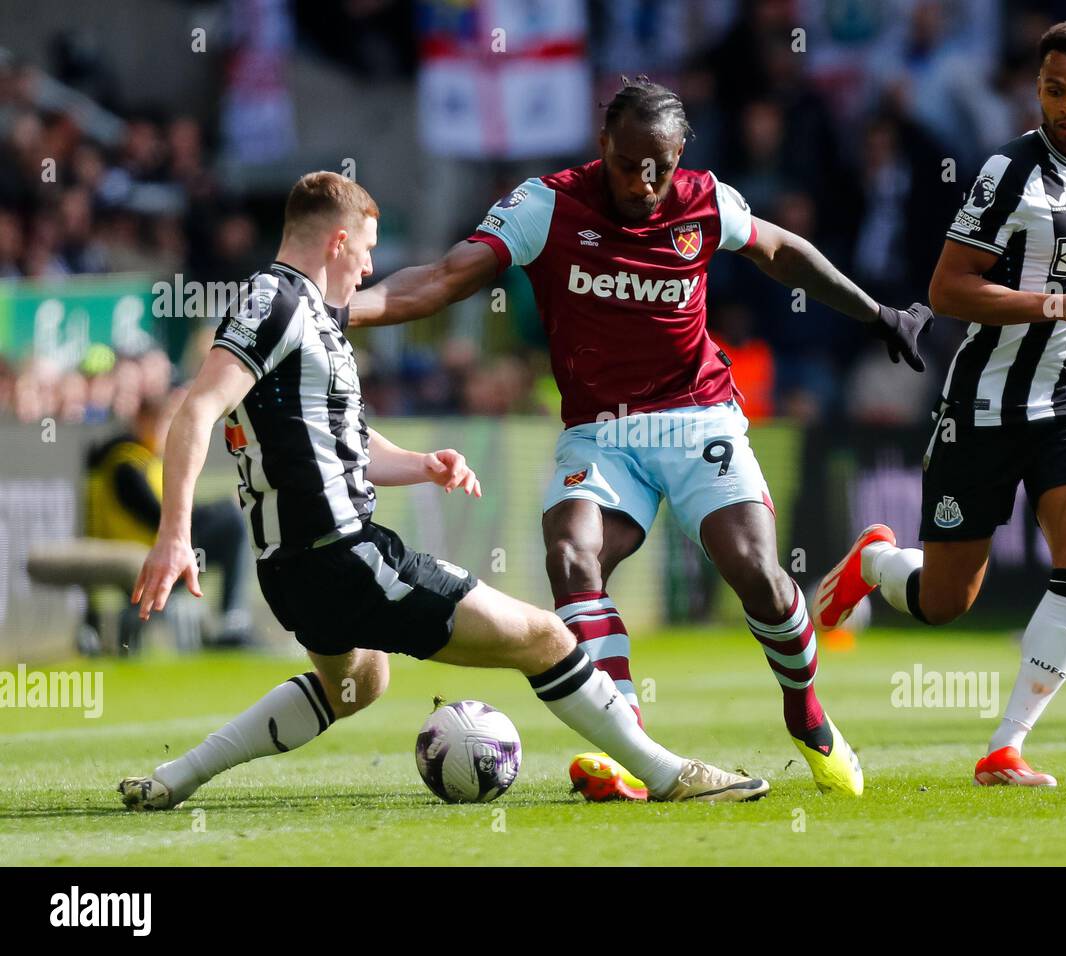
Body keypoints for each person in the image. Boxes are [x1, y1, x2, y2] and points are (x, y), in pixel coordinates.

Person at [349, 77, 934, 798]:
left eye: (659, 164)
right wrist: (336, 310)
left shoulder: (704, 200)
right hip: (599, 432)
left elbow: (782, 252)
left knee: (755, 570)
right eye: (629, 162)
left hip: (699, 416)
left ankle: (806, 713)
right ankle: (626, 742)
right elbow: (441, 279)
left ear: (680, 153)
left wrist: (878, 313)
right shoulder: (548, 206)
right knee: (571, 553)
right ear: (604, 147)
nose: (644, 180)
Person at [119, 171, 768, 810]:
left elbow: (329, 445)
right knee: (545, 638)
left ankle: (178, 777)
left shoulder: (310, 318)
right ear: (338, 243)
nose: (368, 270)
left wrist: (418, 463)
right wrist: (174, 533)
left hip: (294, 571)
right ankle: (666, 774)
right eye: (367, 252)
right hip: (345, 554)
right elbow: (198, 409)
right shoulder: (278, 299)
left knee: (358, 685)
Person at [816, 19, 1066, 787]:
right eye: (1054, 90)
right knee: (947, 600)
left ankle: (1005, 746)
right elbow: (947, 289)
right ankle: (878, 561)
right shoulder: (1010, 173)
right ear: (1038, 90)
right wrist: (1062, 307)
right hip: (986, 403)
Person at [84, 387, 254, 649]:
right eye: (162, 421)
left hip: (153, 549)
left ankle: (232, 621)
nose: (166, 432)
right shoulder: (125, 464)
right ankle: (232, 621)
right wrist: (224, 505)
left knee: (231, 526)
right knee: (231, 521)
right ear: (141, 419)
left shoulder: (143, 459)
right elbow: (161, 517)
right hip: (143, 553)